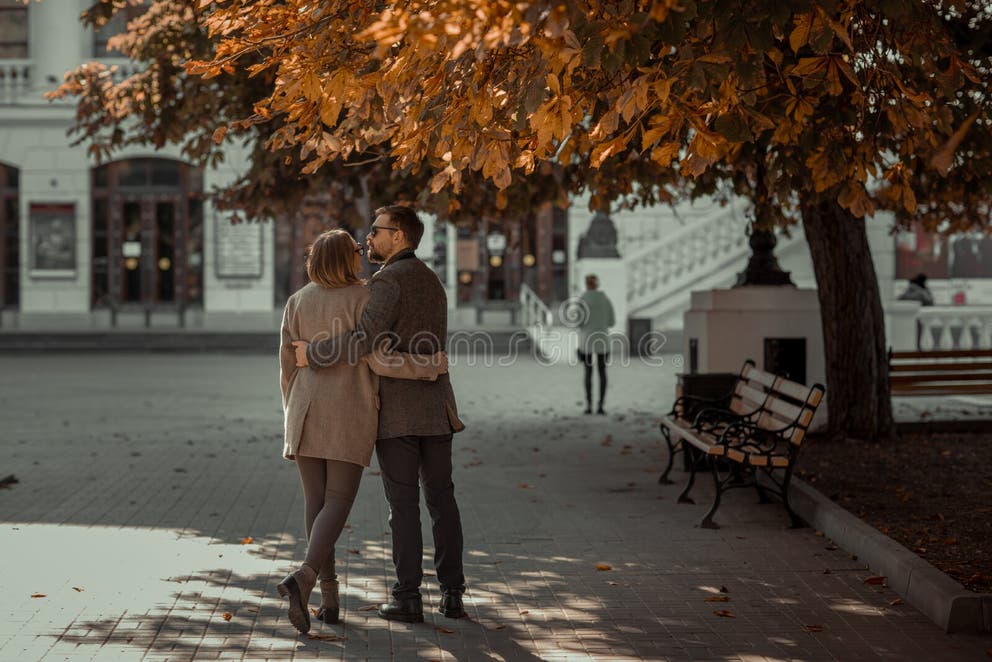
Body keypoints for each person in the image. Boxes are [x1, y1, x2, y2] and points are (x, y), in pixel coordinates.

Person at [293, 205, 466, 624]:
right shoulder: (432, 279)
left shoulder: (387, 281)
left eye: (376, 231)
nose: (368, 238)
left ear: (399, 236)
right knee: (442, 499)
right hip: (438, 406)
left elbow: (363, 339)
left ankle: (407, 597)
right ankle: (453, 594)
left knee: (403, 505)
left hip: (397, 413)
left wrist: (313, 353)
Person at [576, 273, 615, 415]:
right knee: (602, 372)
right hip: (602, 340)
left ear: (586, 284)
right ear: (597, 284)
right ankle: (601, 405)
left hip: (587, 341)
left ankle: (588, 405)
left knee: (588, 373)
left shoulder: (582, 300)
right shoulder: (605, 299)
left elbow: (578, 322)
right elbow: (611, 322)